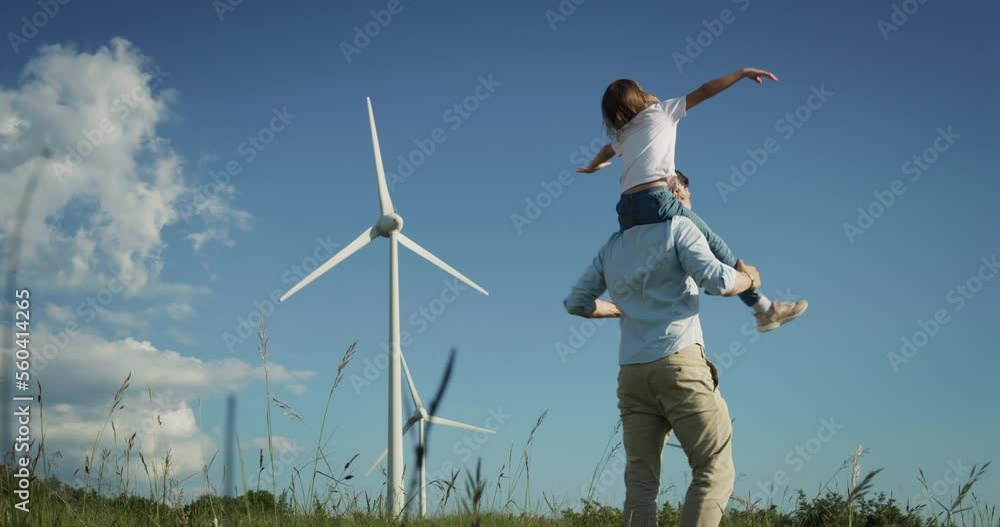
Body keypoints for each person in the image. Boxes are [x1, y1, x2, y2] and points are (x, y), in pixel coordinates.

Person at [563, 208, 763, 526]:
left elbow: (577, 303)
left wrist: (624, 309)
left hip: (632, 375)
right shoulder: (680, 227)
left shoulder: (613, 245)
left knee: (640, 485)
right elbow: (720, 281)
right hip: (677, 361)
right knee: (714, 467)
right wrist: (750, 279)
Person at [577, 68, 806, 332]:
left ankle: (634, 298)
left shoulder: (623, 135)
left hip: (626, 209)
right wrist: (740, 73)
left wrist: (594, 166)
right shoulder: (662, 112)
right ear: (639, 97)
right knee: (714, 243)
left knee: (654, 255)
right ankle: (764, 309)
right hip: (656, 199)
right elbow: (705, 90)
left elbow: (606, 150)